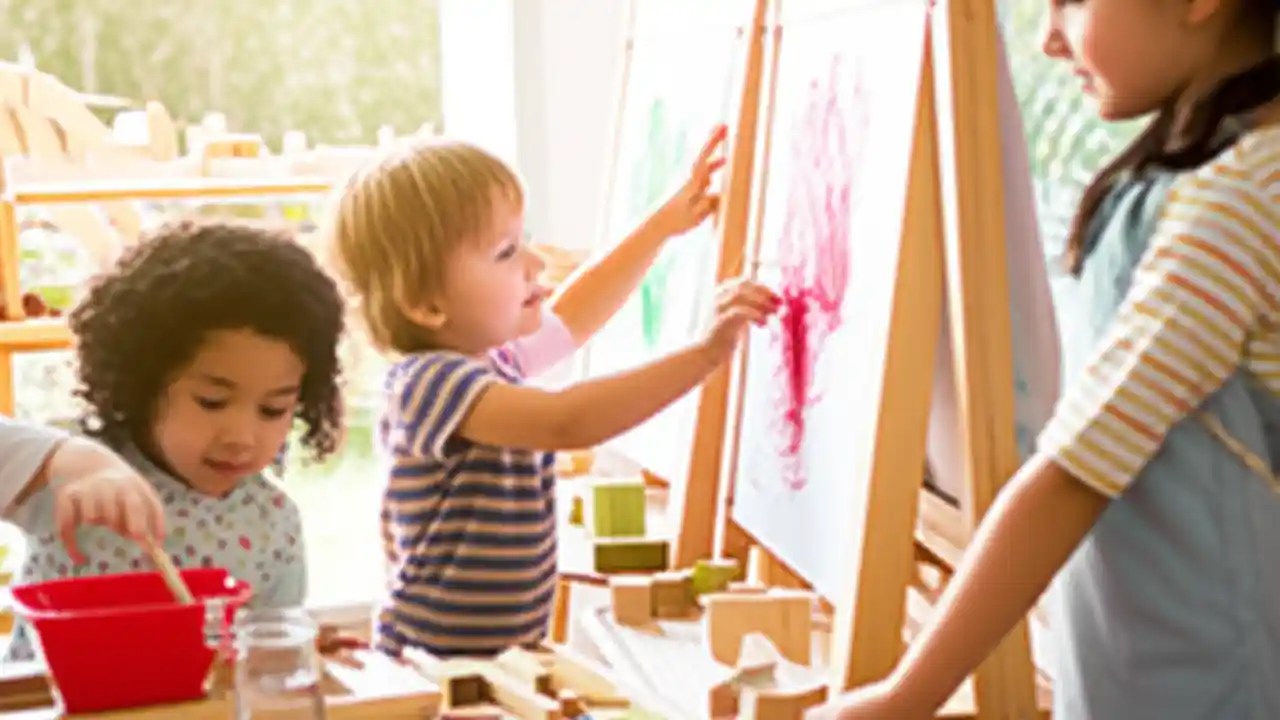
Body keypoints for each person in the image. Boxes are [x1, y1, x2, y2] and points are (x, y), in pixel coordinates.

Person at [810, 0, 1280, 717]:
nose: (1048, 38)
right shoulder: (1226, 170)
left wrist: (906, 696)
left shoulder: (1238, 202)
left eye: (1073, 0)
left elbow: (1075, 474)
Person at [328, 126, 779, 657]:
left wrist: (662, 226)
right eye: (505, 252)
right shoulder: (429, 384)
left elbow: (573, 318)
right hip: (437, 662)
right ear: (427, 305)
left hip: (503, 653)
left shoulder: (492, 363)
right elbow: (567, 422)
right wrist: (704, 355)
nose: (535, 263)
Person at [5, 220, 346, 660]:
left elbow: (263, 652)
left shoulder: (272, 523)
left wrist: (299, 646)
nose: (241, 438)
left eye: (272, 410)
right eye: (212, 401)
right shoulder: (77, 479)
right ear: (143, 382)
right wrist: (71, 461)